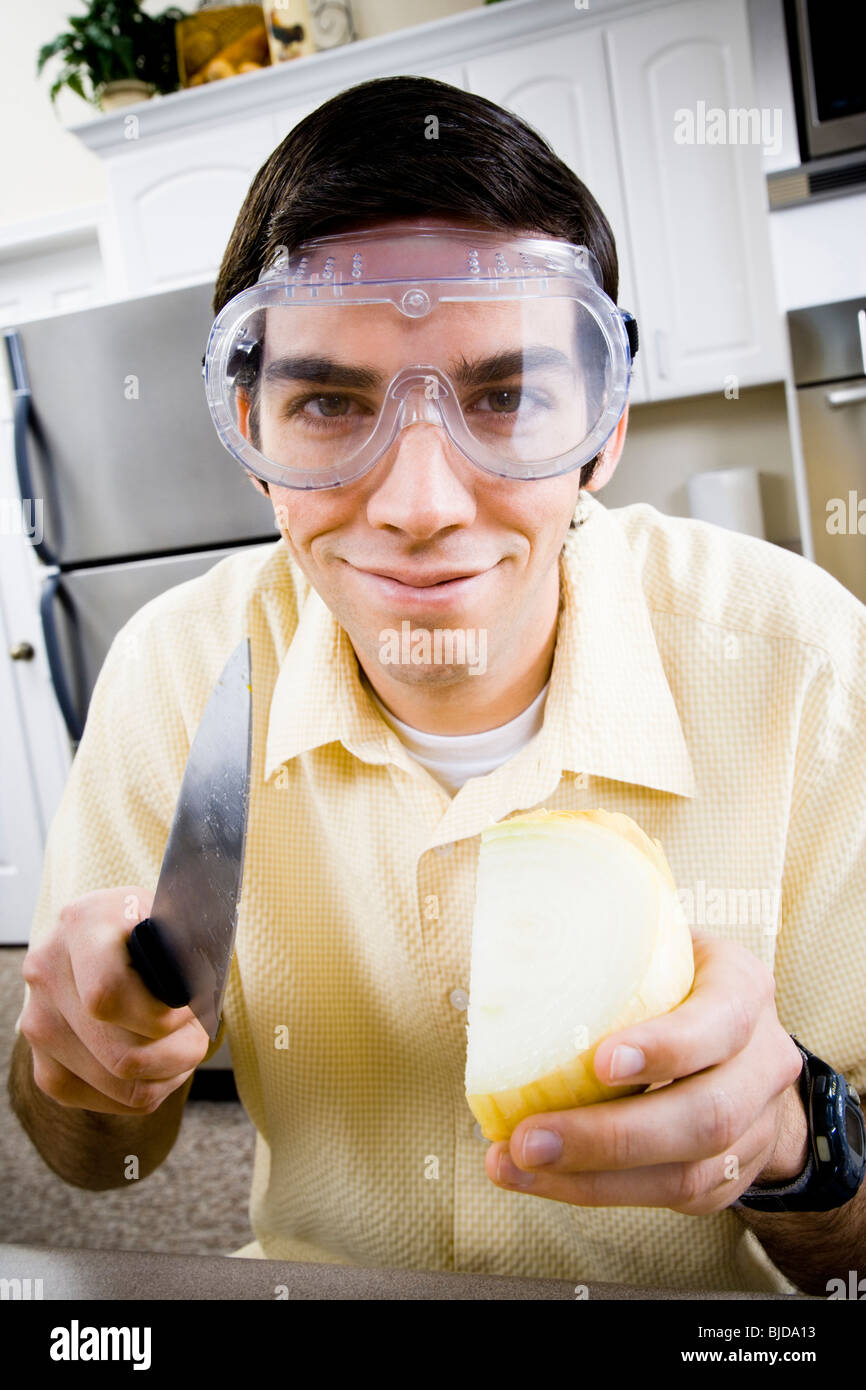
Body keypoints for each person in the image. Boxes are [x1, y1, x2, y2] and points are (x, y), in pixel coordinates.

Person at [9, 76, 866, 1296]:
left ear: (603, 426)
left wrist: (789, 1144)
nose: (417, 504)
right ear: (249, 433)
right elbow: (90, 1158)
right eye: (325, 403)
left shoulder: (812, 680)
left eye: (505, 396)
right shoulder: (176, 676)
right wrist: (79, 1069)